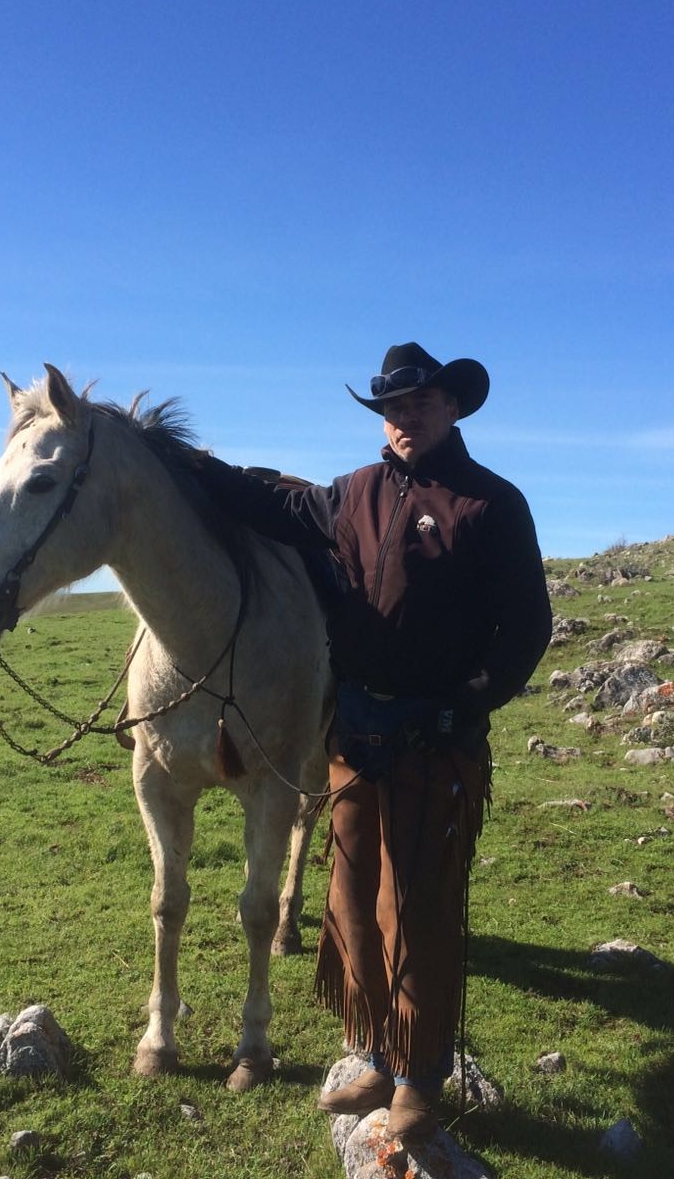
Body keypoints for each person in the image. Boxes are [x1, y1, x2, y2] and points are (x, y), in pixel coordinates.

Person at [195, 342, 552, 1141]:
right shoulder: (353, 493)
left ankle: (421, 1077)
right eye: (392, 410)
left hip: (435, 738)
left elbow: (527, 627)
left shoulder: (492, 505)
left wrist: (469, 704)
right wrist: (189, 462)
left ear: (451, 408)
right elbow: (269, 506)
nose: (403, 422)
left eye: (418, 406)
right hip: (354, 735)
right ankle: (373, 1057)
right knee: (351, 899)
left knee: (416, 907)